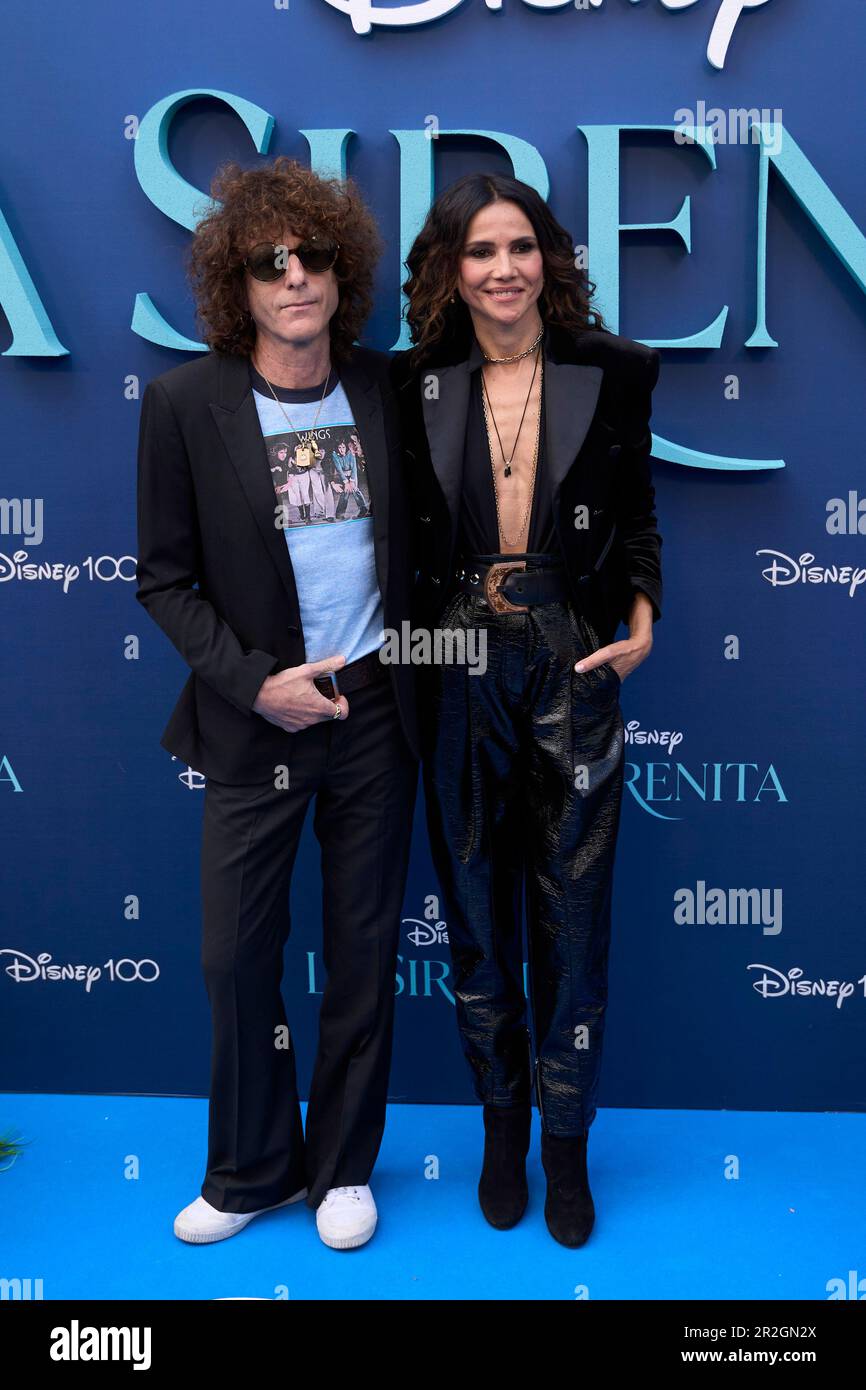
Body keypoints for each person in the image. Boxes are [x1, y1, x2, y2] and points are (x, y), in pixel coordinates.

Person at [136, 155, 419, 1251]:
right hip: (257, 717)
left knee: (360, 945)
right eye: (268, 262)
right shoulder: (182, 404)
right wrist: (257, 680)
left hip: (378, 710)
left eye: (311, 257)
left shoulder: (389, 389)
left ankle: (344, 1167)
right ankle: (255, 1169)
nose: (294, 277)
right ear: (237, 284)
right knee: (234, 954)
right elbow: (162, 576)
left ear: (341, 270)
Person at [390, 172, 663, 1248]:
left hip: (568, 651)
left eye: (520, 246)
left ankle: (563, 1145)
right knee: (471, 908)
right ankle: (499, 1128)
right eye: (478, 252)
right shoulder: (408, 381)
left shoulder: (613, 369)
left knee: (571, 912)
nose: (502, 268)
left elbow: (636, 510)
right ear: (449, 273)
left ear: (547, 257)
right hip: (452, 653)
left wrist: (641, 623)